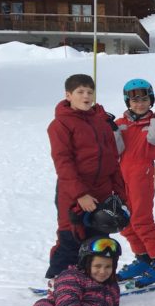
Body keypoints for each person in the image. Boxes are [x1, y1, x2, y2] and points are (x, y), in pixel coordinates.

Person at [45, 73, 127, 279]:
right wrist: (80, 194)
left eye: (90, 92)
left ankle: (94, 281)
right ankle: (58, 282)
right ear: (68, 95)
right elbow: (63, 162)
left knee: (99, 239)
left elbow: (113, 160)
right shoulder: (60, 125)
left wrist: (121, 195)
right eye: (80, 92)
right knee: (71, 237)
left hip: (102, 191)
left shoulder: (101, 123)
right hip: (73, 192)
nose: (86, 96)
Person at [115, 79, 155, 285]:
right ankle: (144, 258)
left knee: (141, 220)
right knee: (124, 219)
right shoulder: (121, 123)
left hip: (142, 173)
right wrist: (109, 127)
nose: (140, 104)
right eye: (134, 100)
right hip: (121, 175)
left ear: (151, 100)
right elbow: (115, 149)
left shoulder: (154, 123)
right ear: (128, 102)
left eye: (144, 99)